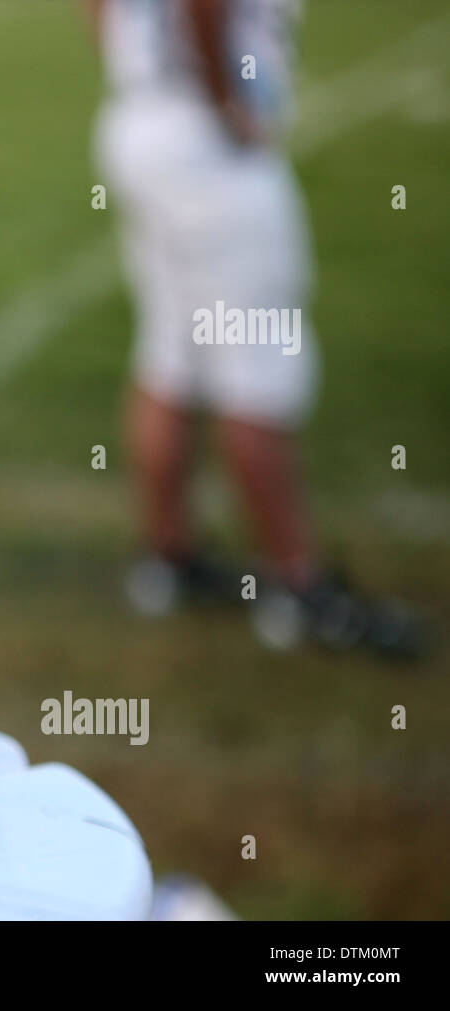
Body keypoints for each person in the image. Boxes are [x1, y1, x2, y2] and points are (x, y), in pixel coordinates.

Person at [87, 0, 424, 656]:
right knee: (258, 361)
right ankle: (298, 588)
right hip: (202, 142)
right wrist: (224, 100)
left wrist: (137, 68)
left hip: (140, 117)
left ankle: (169, 559)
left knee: (173, 347)